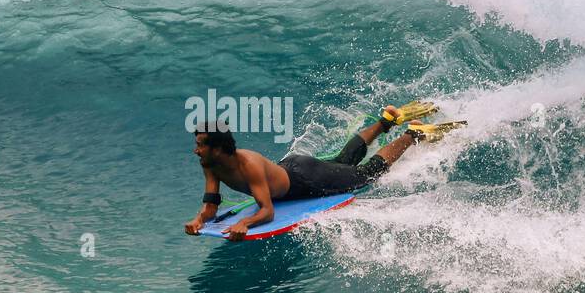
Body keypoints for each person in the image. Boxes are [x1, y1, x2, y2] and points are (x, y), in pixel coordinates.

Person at [185, 105, 445, 240]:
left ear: (218, 148)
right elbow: (211, 205)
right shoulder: (210, 164)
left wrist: (245, 223)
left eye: (200, 145)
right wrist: (200, 220)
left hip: (304, 179)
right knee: (344, 160)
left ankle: (413, 134)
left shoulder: (248, 164)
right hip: (293, 166)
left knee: (365, 174)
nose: (196, 151)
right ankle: (386, 120)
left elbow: (267, 211)